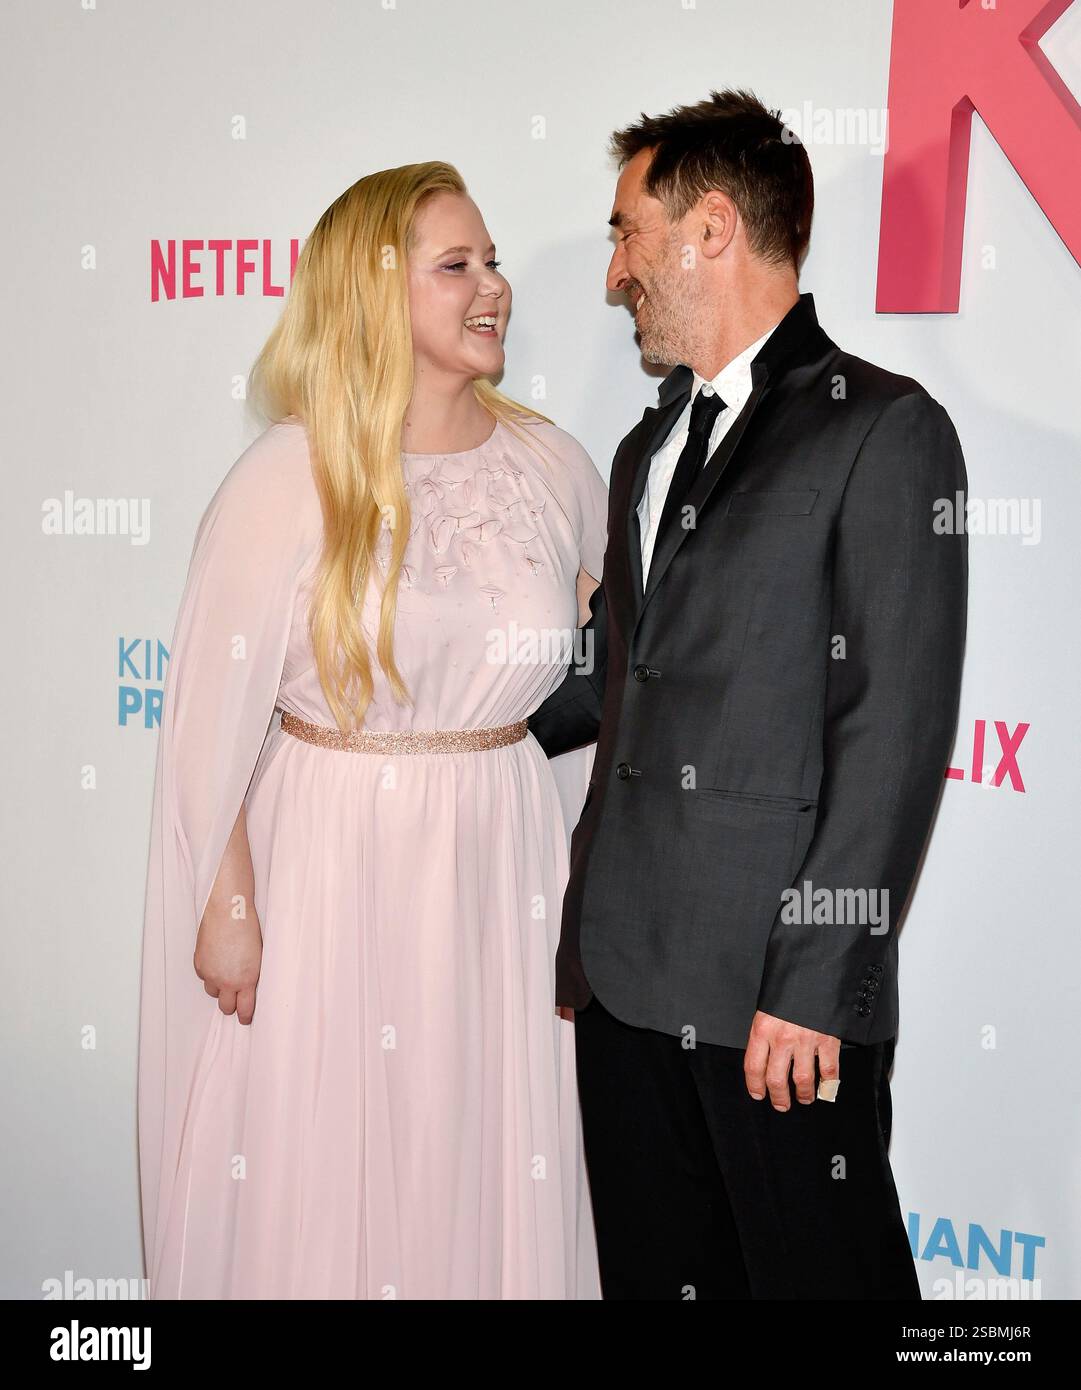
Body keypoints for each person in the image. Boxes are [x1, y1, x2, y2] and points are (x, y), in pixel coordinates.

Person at [137, 161, 606, 1299]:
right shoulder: (285, 478)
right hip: (329, 867)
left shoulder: (554, 468)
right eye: (456, 267)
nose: (491, 286)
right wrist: (229, 905)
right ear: (372, 293)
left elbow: (606, 692)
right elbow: (208, 724)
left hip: (503, 862)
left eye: (490, 260)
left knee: (482, 1150)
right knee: (327, 1156)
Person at [527, 89, 968, 1300]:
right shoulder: (641, 449)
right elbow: (611, 687)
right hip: (621, 988)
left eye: (626, 232)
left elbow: (892, 728)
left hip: (773, 1009)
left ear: (708, 227)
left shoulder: (884, 430)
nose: (615, 272)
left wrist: (816, 986)